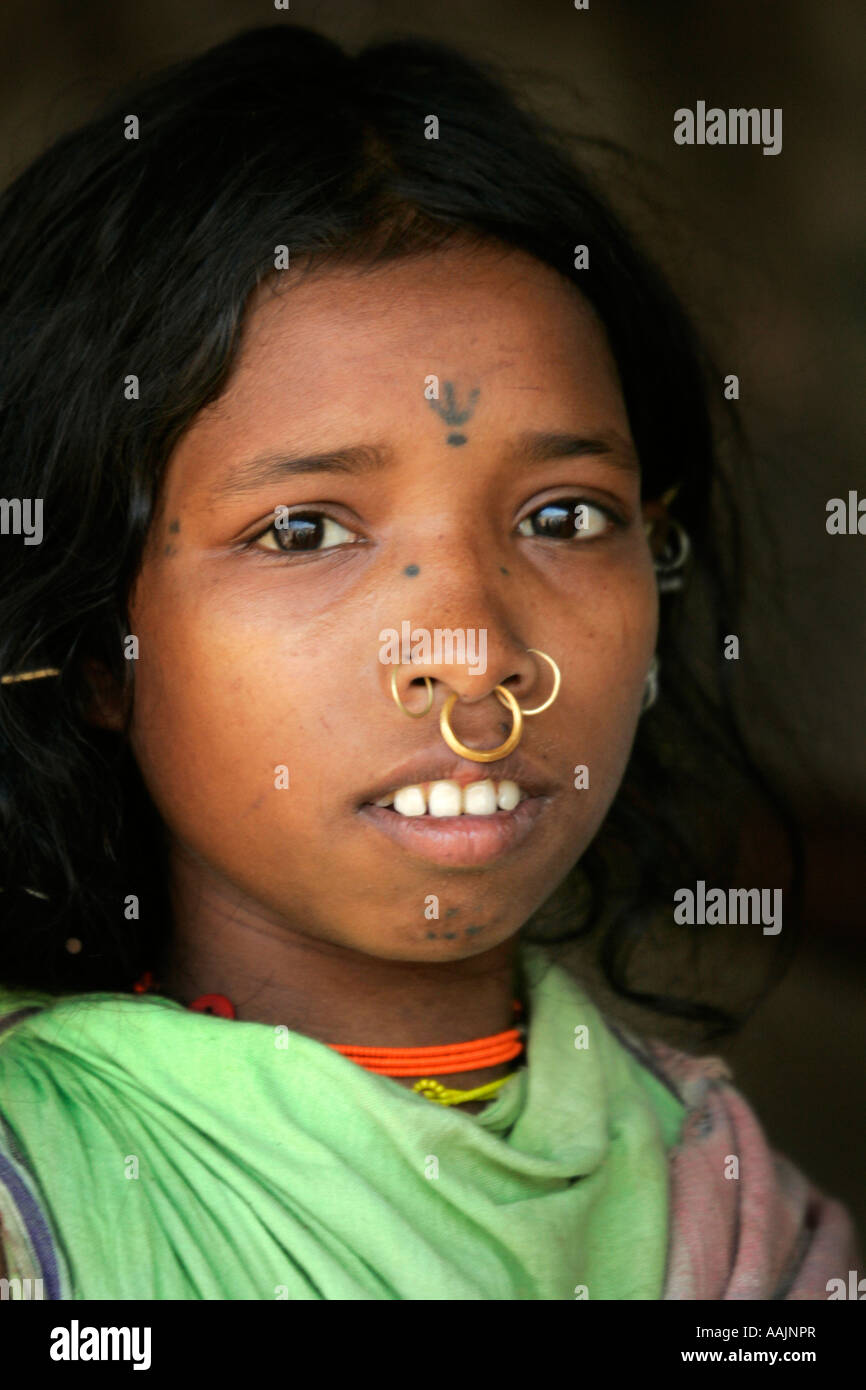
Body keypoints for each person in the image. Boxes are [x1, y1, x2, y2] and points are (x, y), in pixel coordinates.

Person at [0, 23, 859, 1300]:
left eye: (561, 517)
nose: (472, 659)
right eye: (303, 531)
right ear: (97, 652)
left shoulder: (727, 1207)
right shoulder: (40, 1195)